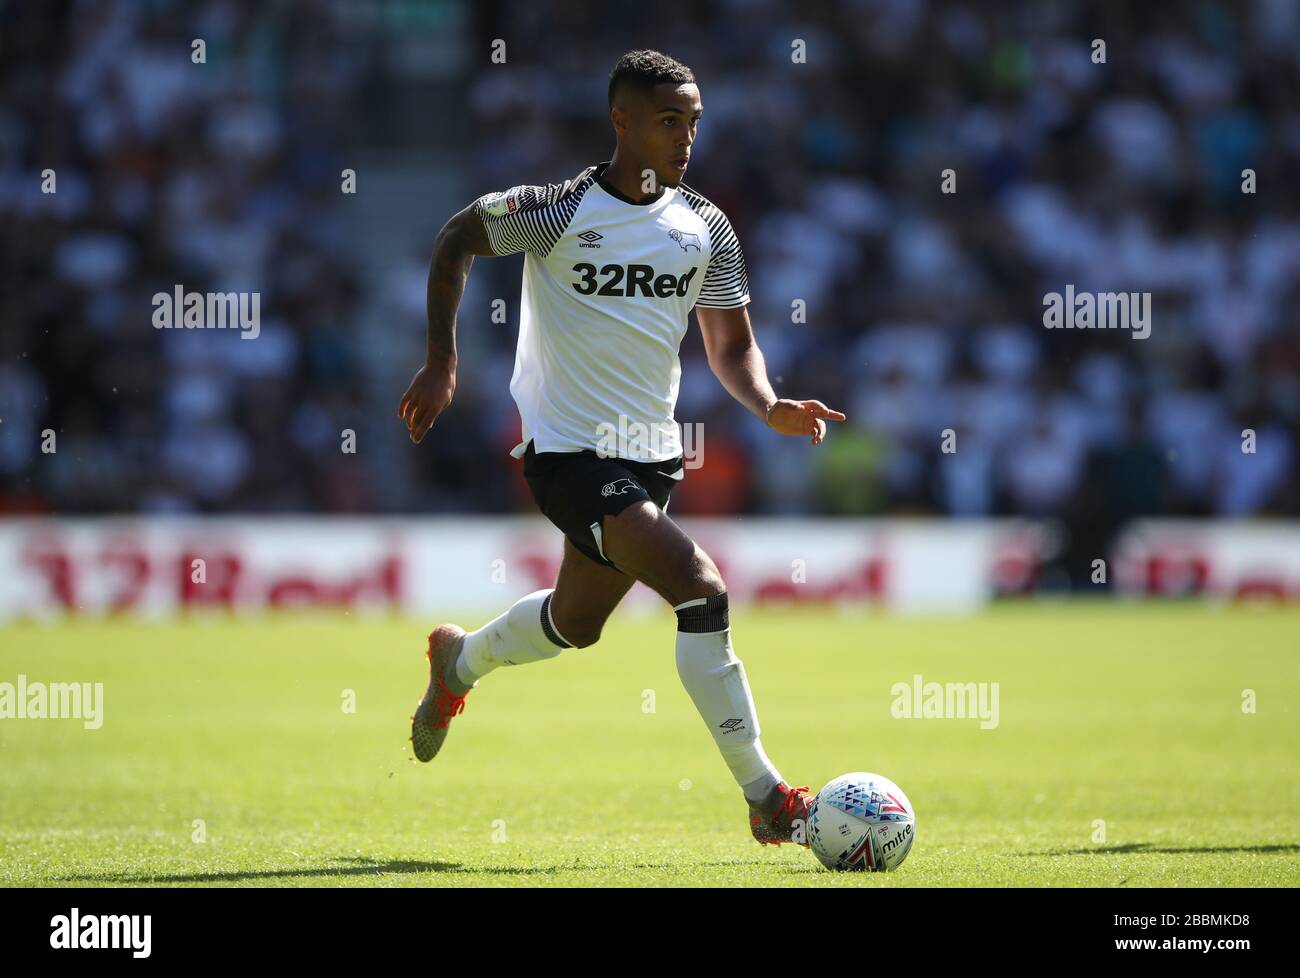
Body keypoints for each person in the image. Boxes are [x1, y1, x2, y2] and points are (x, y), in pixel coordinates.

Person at [397, 49, 845, 846]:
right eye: (670, 121)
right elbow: (454, 240)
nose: (686, 137)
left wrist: (768, 403)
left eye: (694, 122)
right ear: (622, 122)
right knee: (699, 586)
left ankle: (458, 662)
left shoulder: (704, 226)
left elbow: (730, 345)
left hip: (650, 458)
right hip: (568, 453)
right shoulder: (557, 210)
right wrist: (441, 360)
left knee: (576, 625)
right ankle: (768, 798)